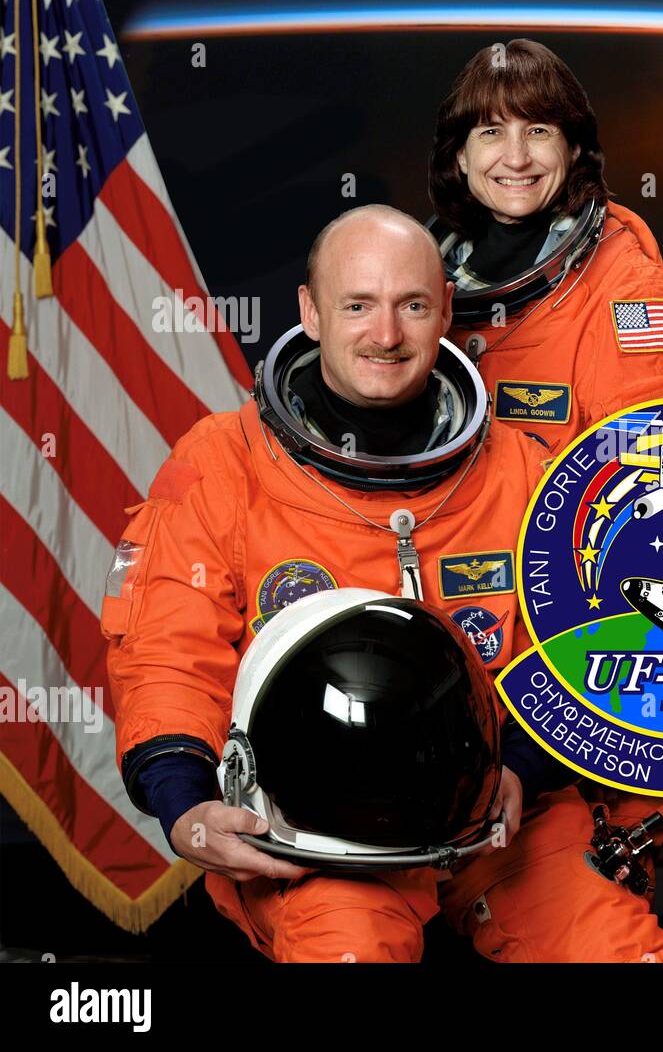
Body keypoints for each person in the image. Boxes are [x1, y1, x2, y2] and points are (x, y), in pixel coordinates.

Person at [101, 204, 573, 962]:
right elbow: (165, 648)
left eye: (412, 305)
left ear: (446, 311)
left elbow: (576, 651)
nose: (385, 335)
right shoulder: (224, 462)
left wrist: (521, 766)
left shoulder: (521, 472)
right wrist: (185, 802)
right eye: (357, 304)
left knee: (603, 945)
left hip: (494, 822)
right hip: (312, 835)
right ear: (310, 312)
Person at [429, 38, 663, 453]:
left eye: (537, 131)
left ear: (572, 148)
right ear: (461, 155)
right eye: (492, 132)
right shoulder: (419, 281)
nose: (516, 159)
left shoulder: (629, 287)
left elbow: (655, 456)